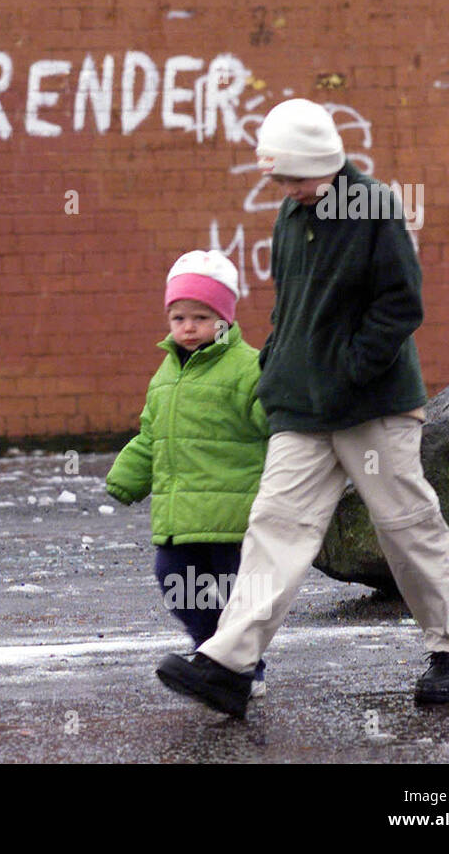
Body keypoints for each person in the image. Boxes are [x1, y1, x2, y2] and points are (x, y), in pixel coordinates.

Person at [156, 98, 449, 719]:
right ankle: (229, 663)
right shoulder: (291, 213)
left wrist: (349, 371)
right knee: (274, 528)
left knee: (404, 525)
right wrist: (276, 368)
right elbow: (288, 308)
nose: (284, 190)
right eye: (280, 179)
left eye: (292, 178)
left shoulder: (375, 208)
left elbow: (399, 306)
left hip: (373, 407)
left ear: (322, 163)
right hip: (301, 409)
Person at [106, 249, 271, 697]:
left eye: (201, 316)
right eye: (178, 317)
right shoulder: (164, 377)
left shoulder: (248, 367)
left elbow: (271, 420)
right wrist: (127, 475)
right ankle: (209, 652)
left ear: (226, 318)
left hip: (234, 513)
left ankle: (241, 667)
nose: (189, 327)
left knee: (237, 596)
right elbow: (151, 436)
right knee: (173, 578)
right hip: (182, 516)